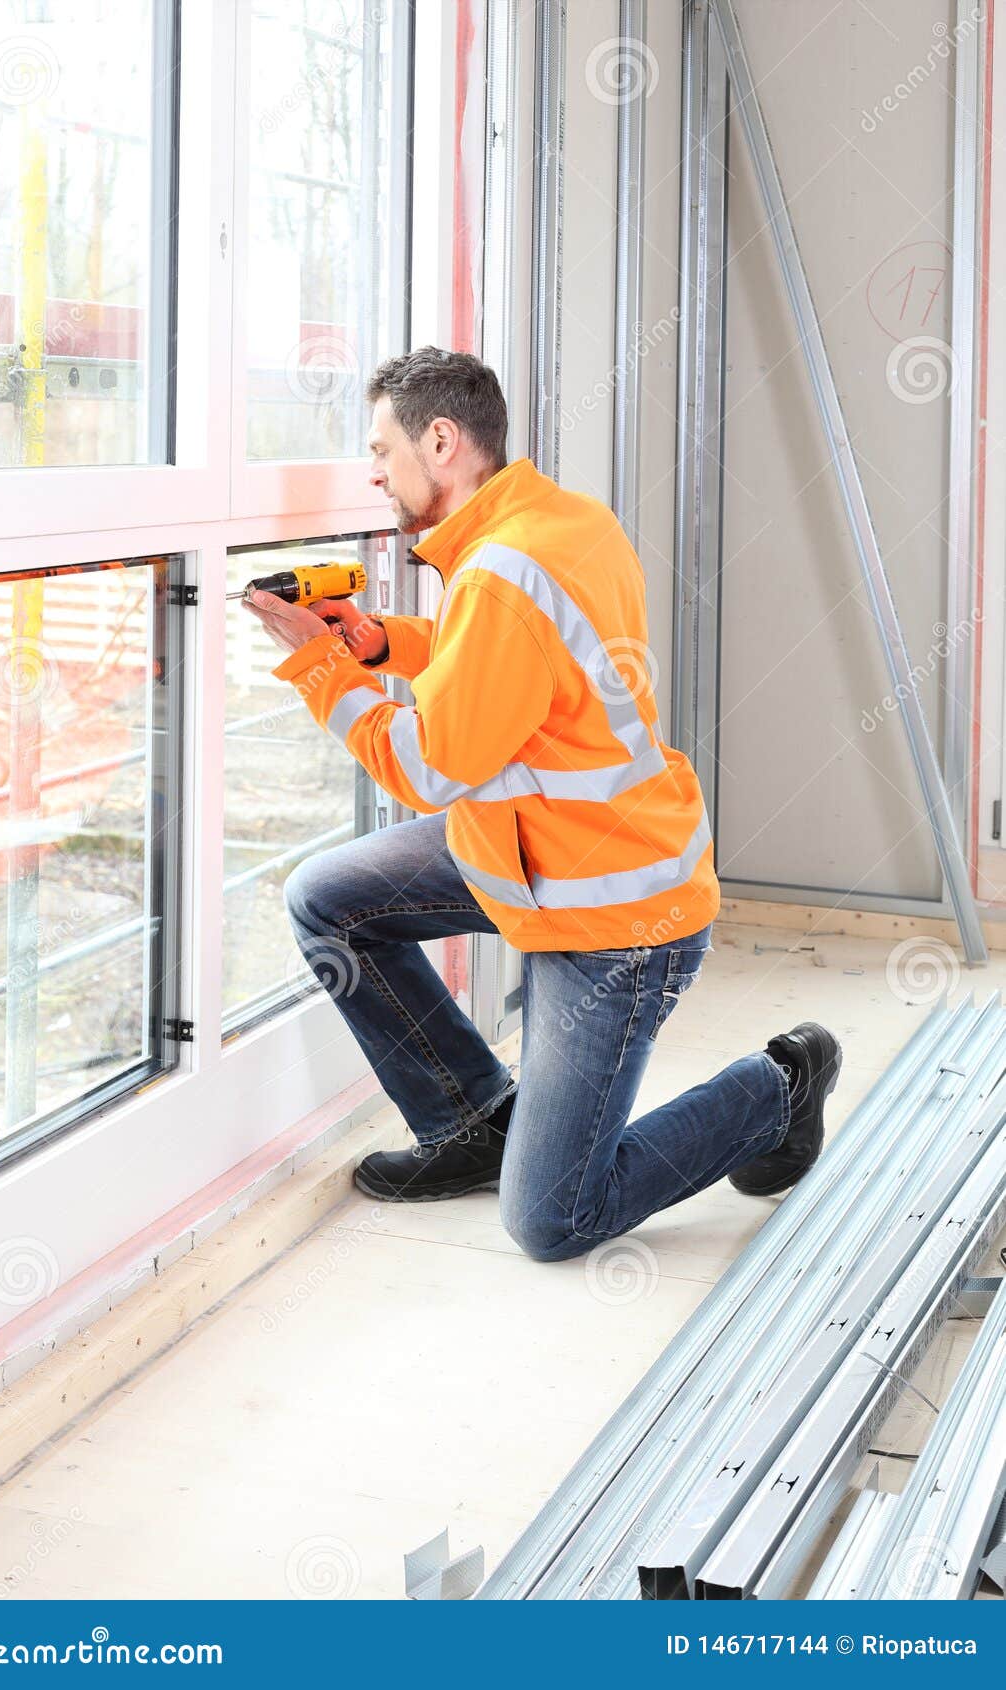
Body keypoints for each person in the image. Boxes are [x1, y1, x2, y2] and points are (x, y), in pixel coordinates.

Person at [243, 346, 842, 1263]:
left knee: (552, 1218)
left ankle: (775, 1089)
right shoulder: (554, 522)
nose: (373, 471)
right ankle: (474, 1119)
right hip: (526, 851)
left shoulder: (498, 570)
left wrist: (317, 666)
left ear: (440, 441)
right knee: (327, 898)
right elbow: (505, 654)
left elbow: (430, 768)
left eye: (382, 449)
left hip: (614, 915)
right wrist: (377, 644)